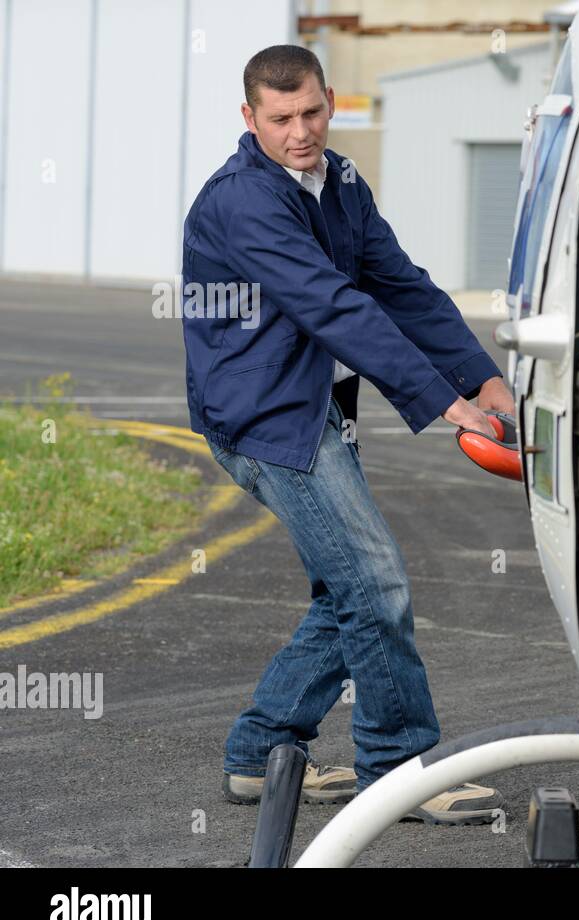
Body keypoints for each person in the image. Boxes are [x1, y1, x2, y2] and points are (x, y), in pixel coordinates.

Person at [180, 44, 513, 825]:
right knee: (376, 581)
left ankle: (259, 755)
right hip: (268, 419)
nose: (300, 131)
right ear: (249, 118)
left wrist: (478, 374)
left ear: (332, 100)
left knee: (347, 590)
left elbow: (399, 284)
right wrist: (441, 401)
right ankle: (399, 770)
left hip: (317, 407)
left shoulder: (342, 181)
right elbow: (332, 304)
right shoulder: (243, 201)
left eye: (312, 112)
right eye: (281, 118)